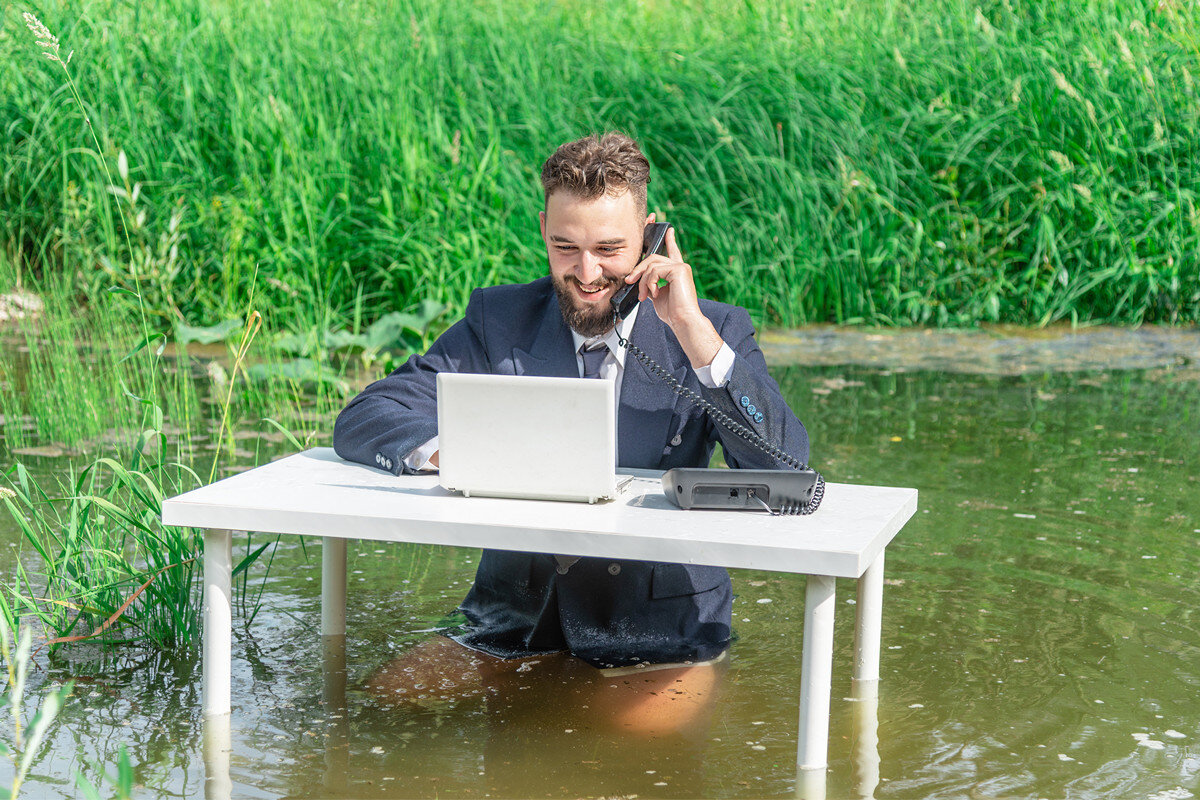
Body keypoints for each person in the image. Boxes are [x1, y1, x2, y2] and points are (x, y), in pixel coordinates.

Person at [333, 131, 809, 730]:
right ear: (543, 231)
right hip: (512, 618)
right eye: (565, 247)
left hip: (659, 626)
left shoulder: (713, 329)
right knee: (378, 703)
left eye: (610, 248)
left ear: (652, 234)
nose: (587, 273)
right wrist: (449, 453)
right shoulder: (498, 319)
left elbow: (786, 470)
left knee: (621, 742)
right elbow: (368, 413)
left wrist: (691, 331)